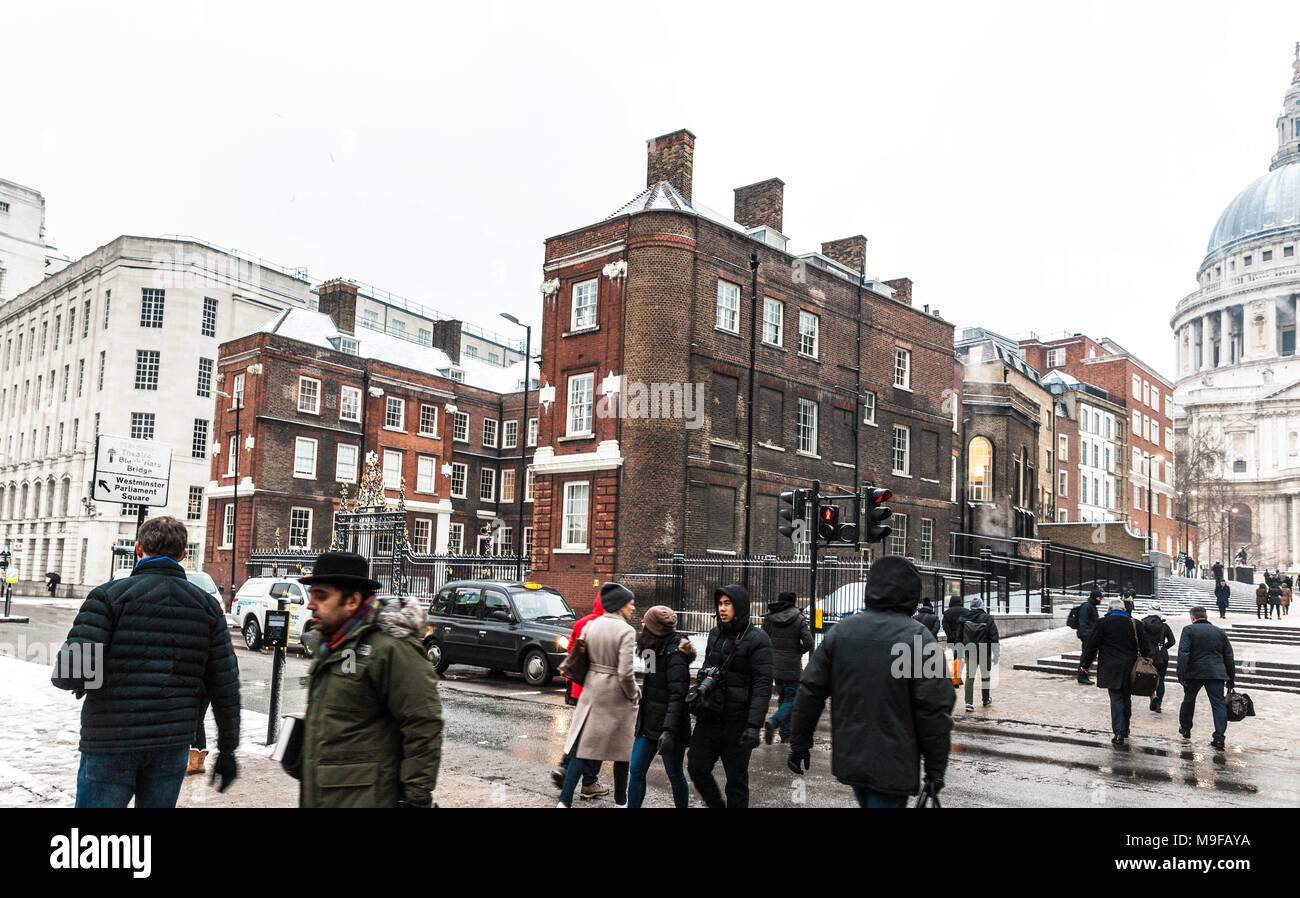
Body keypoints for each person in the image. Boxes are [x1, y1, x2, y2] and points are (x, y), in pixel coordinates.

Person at [51, 516, 240, 808]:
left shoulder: (107, 597)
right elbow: (225, 686)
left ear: (139, 549)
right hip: (170, 741)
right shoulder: (207, 608)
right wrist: (227, 751)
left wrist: (92, 679)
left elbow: (70, 673)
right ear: (184, 555)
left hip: (110, 738)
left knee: (93, 847)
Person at [788, 555, 954, 808]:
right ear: (912, 593)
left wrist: (799, 744)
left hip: (852, 758)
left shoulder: (841, 632)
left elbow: (810, 691)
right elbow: (934, 711)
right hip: (894, 764)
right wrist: (935, 770)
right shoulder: (919, 638)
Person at [299, 551, 443, 808]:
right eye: (311, 594)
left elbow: (423, 723)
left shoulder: (391, 648)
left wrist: (417, 798)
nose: (311, 604)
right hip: (325, 794)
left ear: (353, 601)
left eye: (321, 595)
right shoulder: (329, 643)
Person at [686, 584, 773, 809]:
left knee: (736, 782)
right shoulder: (715, 633)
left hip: (737, 722)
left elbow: (763, 685)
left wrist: (754, 725)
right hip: (710, 717)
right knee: (696, 767)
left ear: (740, 606)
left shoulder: (758, 639)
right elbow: (707, 667)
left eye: (728, 604)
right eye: (720, 604)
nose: (722, 609)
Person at [558, 583, 640, 808]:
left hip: (592, 691)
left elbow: (579, 659)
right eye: (630, 604)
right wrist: (634, 693)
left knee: (583, 750)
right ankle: (621, 802)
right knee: (621, 753)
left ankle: (564, 801)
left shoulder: (590, 625)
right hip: (616, 697)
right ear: (620, 606)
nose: (633, 608)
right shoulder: (626, 631)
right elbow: (625, 672)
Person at [627, 604, 693, 809]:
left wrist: (668, 731)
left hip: (669, 727)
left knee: (674, 774)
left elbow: (677, 695)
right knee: (636, 769)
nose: (641, 622)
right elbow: (650, 682)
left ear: (655, 627)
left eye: (646, 621)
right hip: (648, 723)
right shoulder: (651, 647)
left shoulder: (676, 655)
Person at [552, 592, 609, 798]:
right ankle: (586, 780)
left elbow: (571, 652)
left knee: (582, 733)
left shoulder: (582, 623)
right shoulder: (606, 626)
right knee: (594, 740)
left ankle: (572, 770)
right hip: (596, 691)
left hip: (577, 688)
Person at [1078, 597, 1153, 745]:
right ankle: (1125, 728)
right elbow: (1146, 647)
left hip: (1110, 668)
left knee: (1116, 698)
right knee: (1126, 698)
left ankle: (1119, 733)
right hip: (1132, 668)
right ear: (1124, 610)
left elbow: (1092, 646)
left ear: (1109, 610)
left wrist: (1085, 665)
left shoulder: (1103, 623)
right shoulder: (1135, 624)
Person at [1177, 605, 1235, 751]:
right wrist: (1231, 677)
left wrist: (1181, 672)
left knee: (1189, 700)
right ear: (1206, 616)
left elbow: (1184, 653)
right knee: (1218, 704)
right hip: (1216, 673)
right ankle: (1219, 737)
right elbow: (1228, 655)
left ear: (1192, 617)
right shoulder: (1219, 632)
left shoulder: (1188, 630)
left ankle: (1185, 728)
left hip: (1194, 673)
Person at [761, 590, 813, 744]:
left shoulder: (770, 619)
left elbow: (763, 638)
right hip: (792, 665)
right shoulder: (799, 618)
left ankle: (785, 735)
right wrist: (798, 651)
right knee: (793, 699)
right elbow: (809, 642)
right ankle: (774, 721)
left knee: (783, 698)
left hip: (774, 665)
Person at [958, 596, 1000, 711]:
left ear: (971, 606)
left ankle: (968, 703)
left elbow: (959, 636)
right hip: (984, 651)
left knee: (969, 677)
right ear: (981, 605)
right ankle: (985, 699)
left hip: (969, 651)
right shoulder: (987, 619)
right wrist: (996, 652)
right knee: (985, 676)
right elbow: (994, 636)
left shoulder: (964, 618)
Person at [1140, 603, 1176, 713]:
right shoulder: (1164, 626)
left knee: (1148, 678)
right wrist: (1163, 647)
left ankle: (1152, 696)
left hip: (1147, 656)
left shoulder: (1142, 624)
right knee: (1160, 680)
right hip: (1161, 656)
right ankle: (1159, 704)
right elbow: (1172, 641)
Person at [1075, 587, 1103, 684]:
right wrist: (1087, 635)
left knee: (1090, 655)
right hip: (1087, 636)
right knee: (1087, 656)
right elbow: (1083, 622)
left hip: (1090, 635)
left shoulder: (1091, 606)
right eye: (1099, 598)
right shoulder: (1087, 606)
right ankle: (1082, 676)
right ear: (1095, 597)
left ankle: (1084, 675)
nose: (1100, 600)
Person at [942, 595, 967, 684]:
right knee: (961, 658)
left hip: (952, 640)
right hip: (963, 639)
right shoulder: (966, 612)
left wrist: (950, 635)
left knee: (956, 657)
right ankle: (957, 678)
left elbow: (945, 625)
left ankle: (957, 678)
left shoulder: (947, 613)